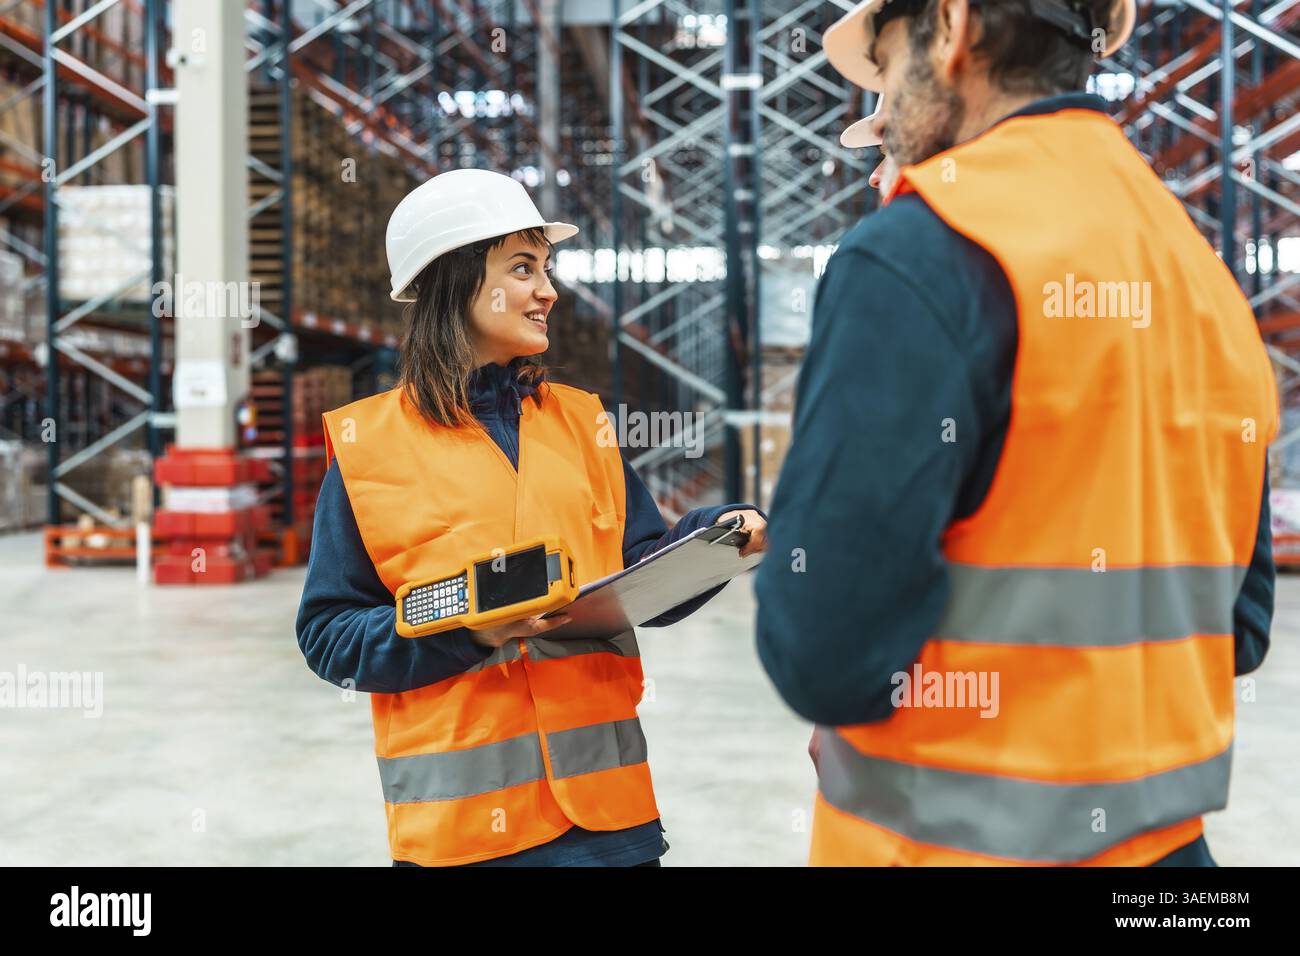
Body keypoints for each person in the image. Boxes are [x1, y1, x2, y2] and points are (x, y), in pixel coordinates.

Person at [756, 0, 1277, 866]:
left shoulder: (921, 253)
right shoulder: (1201, 275)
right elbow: (1240, 626)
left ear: (953, 28)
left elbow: (825, 655)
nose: (884, 108)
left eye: (886, 69)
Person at [296, 168, 767, 867]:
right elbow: (330, 637)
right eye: (523, 268)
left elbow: (639, 574)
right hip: (466, 832)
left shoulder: (582, 422)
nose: (547, 291)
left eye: (545, 268)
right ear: (456, 281)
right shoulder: (372, 448)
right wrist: (468, 632)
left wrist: (712, 540)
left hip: (611, 817)